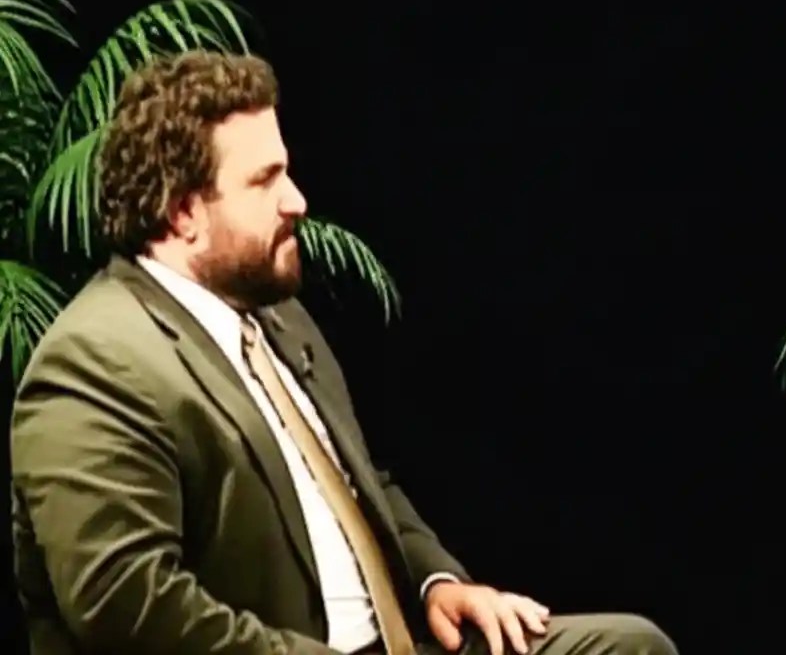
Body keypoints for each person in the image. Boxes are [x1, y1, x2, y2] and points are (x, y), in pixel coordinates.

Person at [9, 50, 677, 655]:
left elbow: (361, 482)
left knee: (630, 647)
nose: (296, 201)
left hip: (398, 640)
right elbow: (128, 605)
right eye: (264, 181)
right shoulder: (95, 362)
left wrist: (436, 583)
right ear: (185, 212)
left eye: (288, 173)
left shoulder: (278, 317)